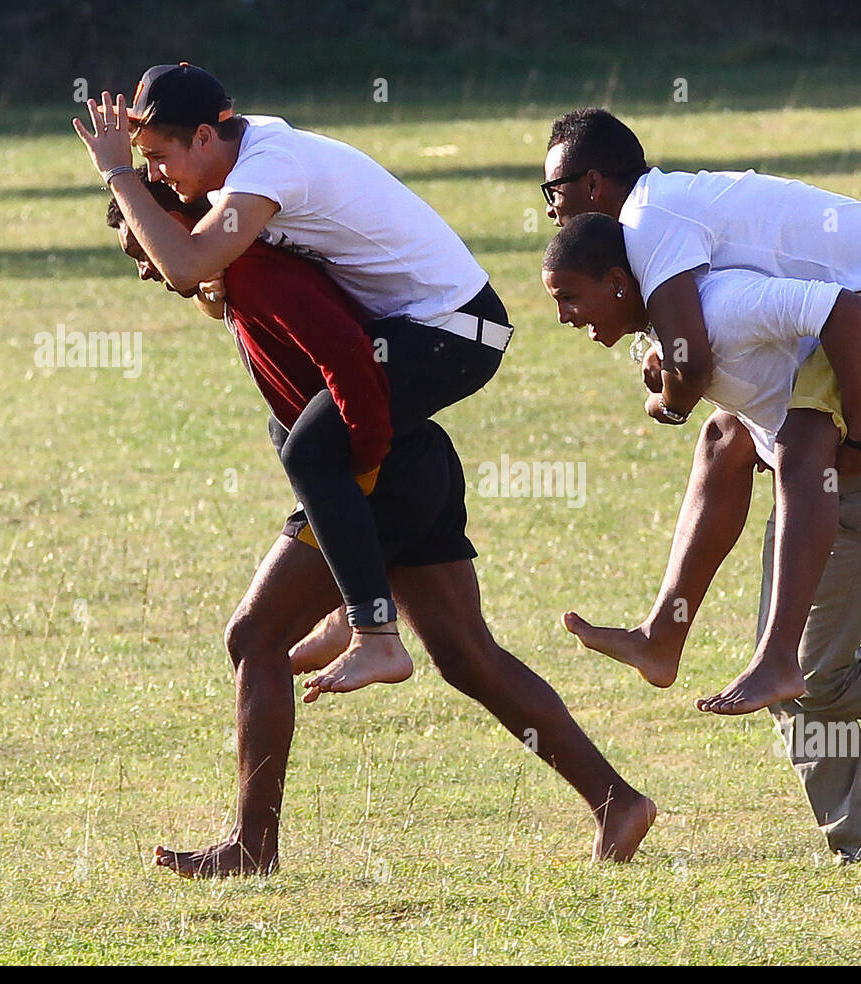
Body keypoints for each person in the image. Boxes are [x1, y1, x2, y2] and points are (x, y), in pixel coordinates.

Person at [105, 174, 656, 875]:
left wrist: (357, 502)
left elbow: (352, 366)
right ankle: (618, 803)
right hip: (410, 463)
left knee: (255, 636)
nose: (148, 266)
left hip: (382, 473)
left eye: (145, 245)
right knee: (468, 658)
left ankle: (251, 846)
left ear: (188, 225)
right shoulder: (243, 278)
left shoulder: (261, 271)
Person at [539, 203, 861, 861]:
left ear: (619, 279)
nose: (564, 317)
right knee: (794, 678)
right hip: (811, 499)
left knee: (809, 676)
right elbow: (731, 430)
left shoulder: (721, 303)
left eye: (569, 298)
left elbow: (841, 308)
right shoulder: (672, 330)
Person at [75, 63, 514, 696]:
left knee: (314, 449)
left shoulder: (267, 167)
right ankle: (349, 614)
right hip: (414, 329)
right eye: (143, 164)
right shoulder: (244, 163)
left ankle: (376, 637)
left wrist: (115, 173)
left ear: (205, 137)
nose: (153, 175)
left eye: (158, 157)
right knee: (292, 434)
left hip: (455, 331)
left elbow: (184, 266)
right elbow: (207, 284)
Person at [542, 107, 861, 718]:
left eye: (553, 191)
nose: (551, 209)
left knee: (803, 434)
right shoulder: (655, 221)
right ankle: (662, 636)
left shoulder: (646, 215)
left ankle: (777, 661)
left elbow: (693, 360)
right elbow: (693, 339)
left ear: (592, 185)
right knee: (725, 437)